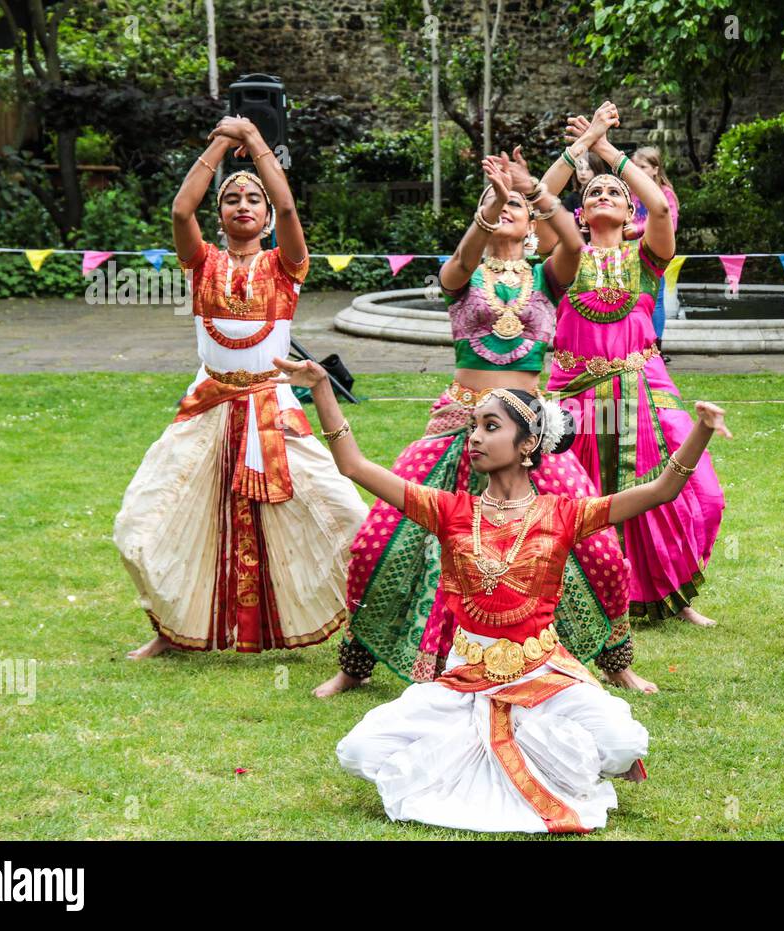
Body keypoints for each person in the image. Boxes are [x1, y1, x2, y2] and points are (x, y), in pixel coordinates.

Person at [276, 358, 731, 833]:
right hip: (465, 677)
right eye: (473, 426)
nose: (474, 437)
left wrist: (700, 429)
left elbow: (661, 490)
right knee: (358, 752)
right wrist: (322, 389)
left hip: (542, 673)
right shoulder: (449, 509)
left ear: (529, 443)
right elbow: (354, 465)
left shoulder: (564, 514)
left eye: (490, 427)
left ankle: (515, 740)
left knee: (623, 743)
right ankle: (500, 742)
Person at [314, 149, 657, 698]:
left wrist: (533, 189)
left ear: (532, 225)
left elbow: (572, 240)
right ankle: (354, 667)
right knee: (377, 541)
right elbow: (456, 265)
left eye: (518, 207)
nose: (506, 210)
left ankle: (616, 661)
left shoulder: (548, 276)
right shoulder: (463, 276)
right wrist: (492, 203)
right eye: (494, 205)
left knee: (599, 549)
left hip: (529, 429)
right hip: (459, 420)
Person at [115, 116, 368, 658]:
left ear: (268, 215)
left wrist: (255, 144)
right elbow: (181, 210)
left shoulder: (286, 266)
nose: (244, 206)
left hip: (271, 405)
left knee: (341, 512)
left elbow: (293, 210)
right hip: (208, 405)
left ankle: (357, 627)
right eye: (233, 200)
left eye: (254, 199)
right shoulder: (201, 261)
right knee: (157, 514)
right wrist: (222, 144)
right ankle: (174, 629)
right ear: (221, 214)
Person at [541, 102, 726, 627]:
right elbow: (540, 206)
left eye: (615, 194)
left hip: (643, 385)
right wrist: (576, 149)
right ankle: (581, 594)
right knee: (582, 497)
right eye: (593, 192)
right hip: (576, 395)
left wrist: (606, 152)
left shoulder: (643, 259)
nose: (603, 195)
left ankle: (673, 591)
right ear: (578, 214)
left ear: (631, 215)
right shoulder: (565, 258)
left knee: (697, 491)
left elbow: (663, 211)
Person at [630, 146, 680, 361]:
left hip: (654, 253)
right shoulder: (631, 192)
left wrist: (638, 229)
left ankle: (656, 347)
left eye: (642, 166)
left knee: (656, 299)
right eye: (634, 166)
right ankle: (635, 344)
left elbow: (670, 223)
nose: (637, 171)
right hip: (629, 251)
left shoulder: (665, 194)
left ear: (655, 169)